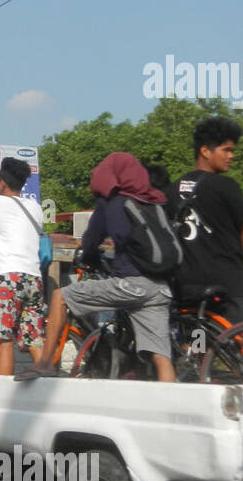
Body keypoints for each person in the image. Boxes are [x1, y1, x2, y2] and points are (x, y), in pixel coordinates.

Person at [19, 152, 176, 382]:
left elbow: (92, 240)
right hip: (160, 288)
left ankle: (44, 363)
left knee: (60, 296)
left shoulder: (113, 202)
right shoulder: (155, 201)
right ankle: (171, 408)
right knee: (162, 357)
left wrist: (88, 255)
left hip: (131, 285)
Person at [171, 117, 243, 323]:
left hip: (189, 284)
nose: (231, 156)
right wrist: (237, 259)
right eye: (226, 150)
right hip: (229, 281)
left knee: (197, 343)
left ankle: (196, 354)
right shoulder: (226, 186)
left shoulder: (171, 190)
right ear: (205, 151)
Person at [0, 156, 46, 376]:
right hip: (34, 279)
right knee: (33, 338)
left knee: (4, 341)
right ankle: (47, 383)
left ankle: (1, 399)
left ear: (3, 182)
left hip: (9, 279)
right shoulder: (35, 207)